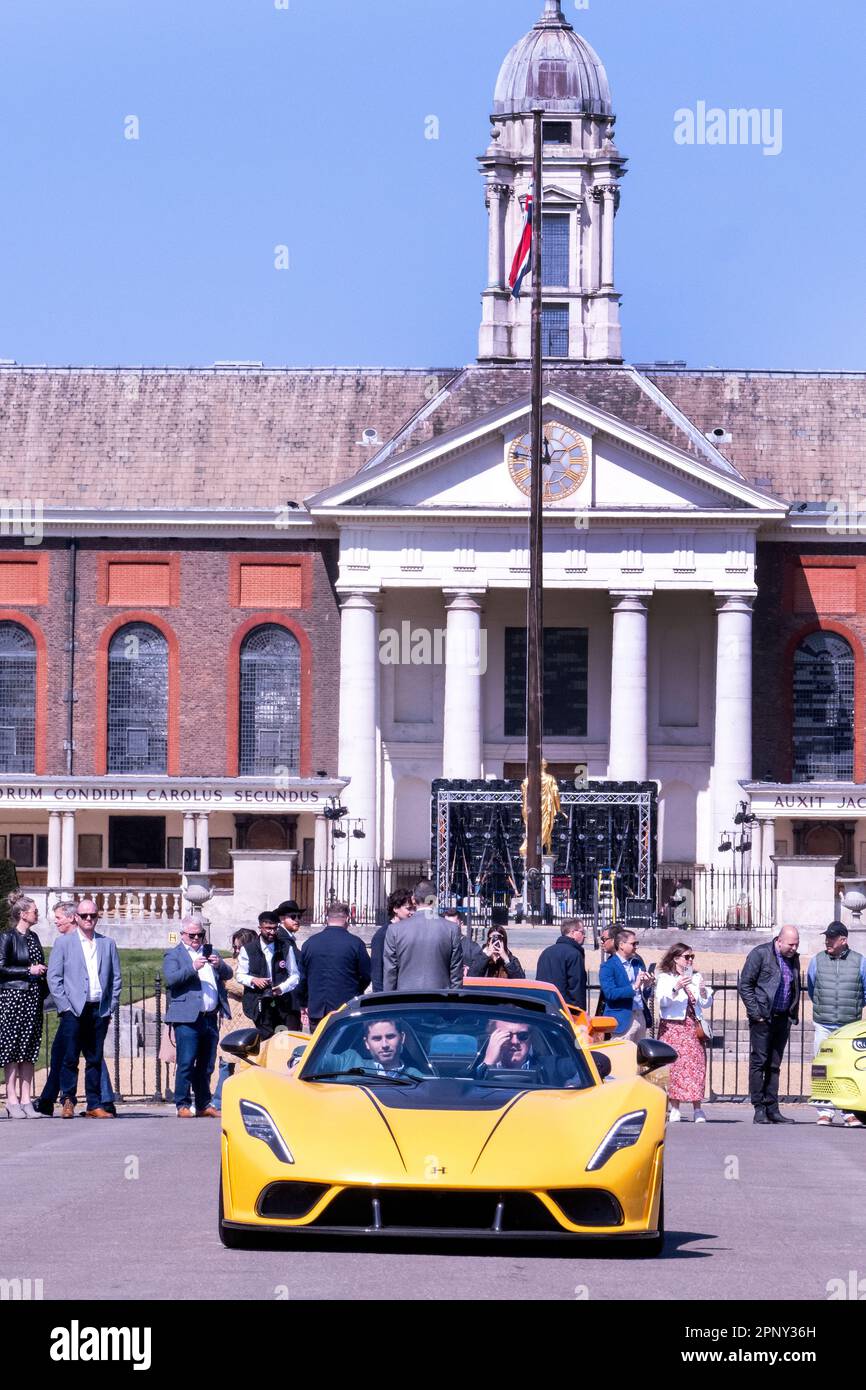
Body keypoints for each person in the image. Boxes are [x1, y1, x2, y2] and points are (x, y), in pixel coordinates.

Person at [36, 902, 116, 1117]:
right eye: (84, 915)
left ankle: (94, 1104)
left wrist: (111, 1006)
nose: (88, 919)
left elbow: (115, 978)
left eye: (92, 915)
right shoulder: (64, 943)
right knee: (69, 1057)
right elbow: (54, 977)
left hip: (98, 1008)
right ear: (77, 918)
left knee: (94, 1058)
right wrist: (65, 1007)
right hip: (74, 1009)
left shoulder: (107, 943)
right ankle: (68, 1101)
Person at [164, 917, 231, 1118]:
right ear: (183, 935)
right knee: (186, 1061)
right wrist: (192, 967)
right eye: (191, 935)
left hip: (209, 1016)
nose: (196, 938)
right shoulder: (174, 954)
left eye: (199, 935)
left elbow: (228, 973)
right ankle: (182, 1104)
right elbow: (171, 979)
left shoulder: (211, 952)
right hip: (187, 1018)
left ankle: (203, 1103)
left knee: (206, 1064)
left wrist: (220, 965)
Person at [739, 925, 801, 1124]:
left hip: (783, 1017)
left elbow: (793, 985)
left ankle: (772, 1108)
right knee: (759, 1062)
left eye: (796, 944)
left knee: (774, 1064)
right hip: (763, 1018)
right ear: (779, 940)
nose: (794, 948)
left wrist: (792, 1012)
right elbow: (745, 984)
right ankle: (759, 1108)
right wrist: (756, 1013)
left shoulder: (793, 958)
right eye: (791, 944)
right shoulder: (760, 954)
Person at [807, 922, 866, 1128]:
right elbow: (813, 988)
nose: (827, 941)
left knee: (848, 1068)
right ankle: (825, 1111)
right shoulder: (817, 961)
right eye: (826, 937)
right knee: (822, 1068)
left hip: (849, 1026)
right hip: (824, 1023)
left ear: (844, 940)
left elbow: (865, 990)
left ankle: (848, 1111)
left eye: (832, 937)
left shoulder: (860, 961)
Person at [0, 892, 48, 1118]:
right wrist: (28, 970)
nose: (37, 914)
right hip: (13, 998)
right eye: (34, 911)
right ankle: (11, 1099)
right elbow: (1, 968)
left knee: (28, 1050)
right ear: (22, 914)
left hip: (32, 998)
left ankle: (27, 1098)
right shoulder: (7, 937)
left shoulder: (34, 937)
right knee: (11, 1049)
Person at [655, 943, 713, 1123]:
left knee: (695, 1066)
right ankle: (675, 1107)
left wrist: (703, 991)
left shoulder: (696, 977)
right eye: (686, 957)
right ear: (675, 958)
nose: (690, 960)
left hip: (691, 1027)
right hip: (672, 1026)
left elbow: (704, 1004)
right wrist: (676, 987)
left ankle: (697, 1108)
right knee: (674, 1068)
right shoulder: (665, 977)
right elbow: (663, 1002)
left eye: (692, 957)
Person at [297, 902, 372, 1031]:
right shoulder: (356, 943)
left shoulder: (309, 944)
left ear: (327, 919)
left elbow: (302, 978)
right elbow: (367, 974)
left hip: (317, 1008)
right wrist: (355, 991)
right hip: (346, 1008)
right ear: (347, 919)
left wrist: (304, 1003)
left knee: (319, 1047)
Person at [382, 878, 463, 992]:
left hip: (406, 1001)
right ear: (435, 900)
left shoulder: (394, 930)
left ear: (413, 900)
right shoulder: (452, 929)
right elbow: (456, 974)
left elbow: (390, 974)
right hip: (440, 1001)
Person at [213, 927, 257, 1113]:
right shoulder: (228, 963)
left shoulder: (255, 965)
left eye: (240, 947)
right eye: (235, 947)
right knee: (225, 1062)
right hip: (229, 1017)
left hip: (246, 1016)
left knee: (246, 1062)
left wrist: (227, 981)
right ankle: (219, 1100)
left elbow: (246, 988)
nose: (236, 950)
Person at [237, 910, 301, 1037]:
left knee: (282, 1040)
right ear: (260, 927)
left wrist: (282, 988)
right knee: (264, 1041)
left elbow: (295, 975)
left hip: (281, 1004)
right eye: (268, 928)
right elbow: (240, 975)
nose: (272, 932)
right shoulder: (248, 949)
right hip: (259, 1003)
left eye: (274, 928)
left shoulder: (285, 947)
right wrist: (254, 980)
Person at [475, 1018, 579, 1086]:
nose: (515, 1042)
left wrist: (573, 1084)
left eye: (522, 1036)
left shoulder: (550, 1066)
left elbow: (588, 1065)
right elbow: (468, 1093)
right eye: (507, 1036)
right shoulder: (468, 1072)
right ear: (493, 1038)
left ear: (531, 1039)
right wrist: (488, 1063)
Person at [598, 928, 653, 1040]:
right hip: (622, 1019)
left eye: (637, 943)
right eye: (633, 944)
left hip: (639, 1016)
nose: (636, 946)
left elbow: (643, 994)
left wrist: (647, 985)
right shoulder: (608, 966)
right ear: (622, 945)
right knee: (622, 1056)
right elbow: (610, 993)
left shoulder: (637, 963)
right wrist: (634, 986)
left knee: (639, 1056)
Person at [536, 919, 587, 1007]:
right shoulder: (574, 954)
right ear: (573, 933)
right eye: (582, 932)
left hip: (544, 1006)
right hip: (566, 1009)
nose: (584, 936)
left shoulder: (546, 952)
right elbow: (577, 988)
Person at [371, 890, 414, 992]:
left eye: (414, 908)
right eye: (408, 908)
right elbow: (377, 970)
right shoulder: (382, 934)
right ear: (395, 909)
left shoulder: (411, 931)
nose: (412, 912)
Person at [442, 905, 487, 978]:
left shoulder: (472, 948)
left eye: (453, 925)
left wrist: (468, 971)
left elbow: (479, 970)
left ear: (461, 924)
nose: (450, 928)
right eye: (447, 925)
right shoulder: (438, 945)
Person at [595, 924, 617, 1014]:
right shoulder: (611, 960)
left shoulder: (633, 961)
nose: (601, 942)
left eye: (604, 939)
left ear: (614, 940)